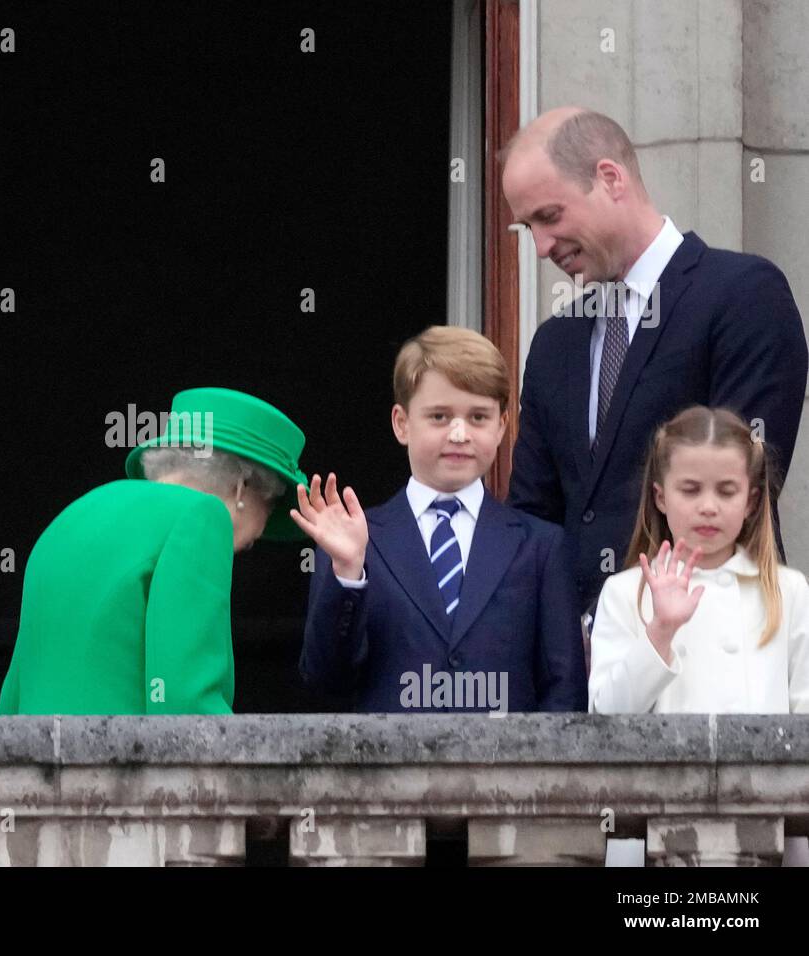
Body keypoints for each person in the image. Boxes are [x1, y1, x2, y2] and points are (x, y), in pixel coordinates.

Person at [503, 107, 808, 614]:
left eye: (549, 217)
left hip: (706, 643)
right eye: (526, 227)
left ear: (610, 178)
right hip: (578, 671)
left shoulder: (743, 295)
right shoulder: (555, 343)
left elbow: (742, 486)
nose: (540, 247)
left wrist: (642, 623)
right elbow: (534, 517)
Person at [294, 326, 586, 713]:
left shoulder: (540, 546)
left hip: (505, 770)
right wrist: (348, 572)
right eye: (439, 416)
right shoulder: (359, 541)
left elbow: (564, 691)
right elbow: (326, 679)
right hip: (391, 769)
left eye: (478, 417)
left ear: (502, 425)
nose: (460, 434)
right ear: (402, 423)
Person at [0, 387, 307, 715]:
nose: (259, 534)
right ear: (243, 486)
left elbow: (11, 698)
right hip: (121, 761)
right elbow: (185, 700)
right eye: (271, 506)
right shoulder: (201, 516)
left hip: (35, 760)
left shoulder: (72, 516)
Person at [589, 406, 808, 714]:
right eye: (690, 490)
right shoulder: (625, 592)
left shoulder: (789, 591)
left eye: (726, 492)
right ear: (660, 497)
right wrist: (661, 630)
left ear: (751, 501)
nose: (708, 506)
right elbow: (605, 717)